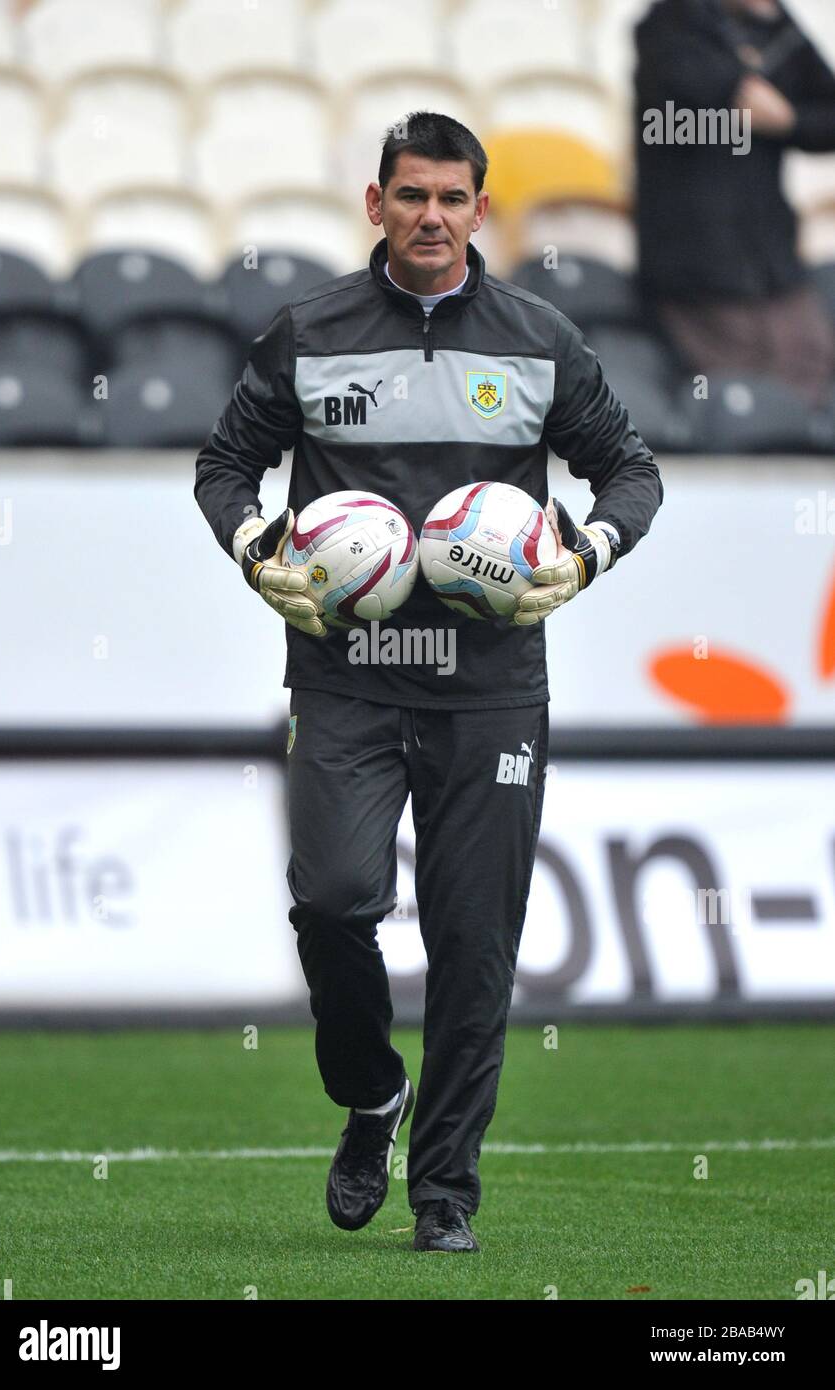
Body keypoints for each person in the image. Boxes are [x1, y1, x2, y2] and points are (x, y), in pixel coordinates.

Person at [194, 112, 663, 1253]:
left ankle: (443, 1192)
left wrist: (582, 554)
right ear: (375, 205)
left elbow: (630, 474)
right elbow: (222, 467)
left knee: (471, 946)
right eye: (411, 196)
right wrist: (259, 553)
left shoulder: (538, 339)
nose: (431, 218)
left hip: (491, 685)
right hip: (345, 677)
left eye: (453, 199)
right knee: (334, 901)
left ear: (480, 211)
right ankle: (369, 1096)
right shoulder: (307, 334)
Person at [635, 0, 835, 407]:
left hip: (773, 265)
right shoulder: (668, 24)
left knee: (812, 381)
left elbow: (818, 114)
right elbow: (719, 92)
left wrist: (790, 121)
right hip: (698, 272)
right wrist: (750, 82)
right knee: (742, 406)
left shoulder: (778, 26)